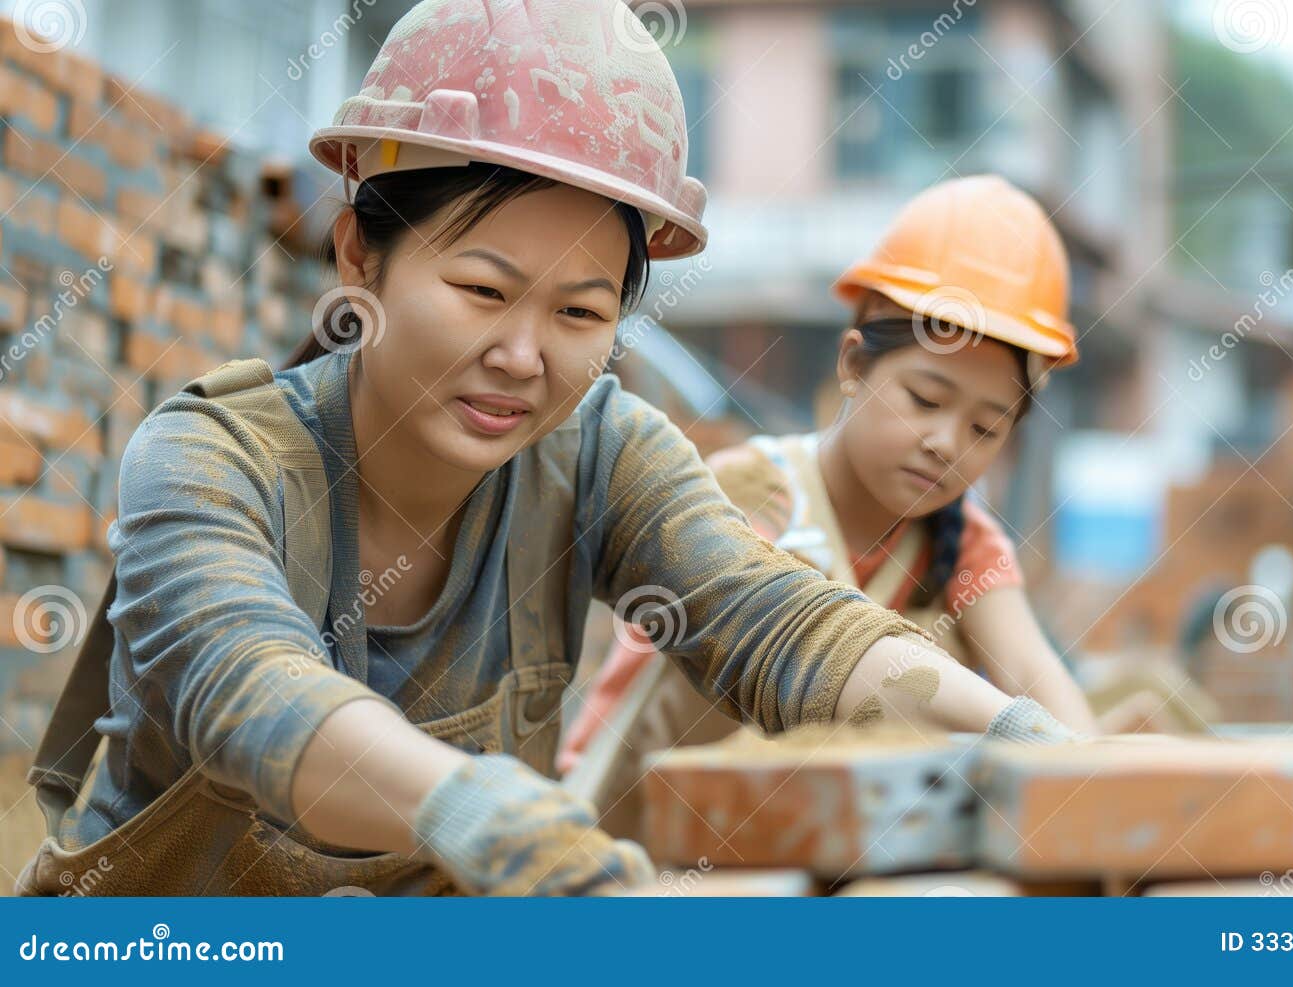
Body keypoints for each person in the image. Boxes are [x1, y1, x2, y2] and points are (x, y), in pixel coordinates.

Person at [15, 0, 1075, 898]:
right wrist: (472, 811)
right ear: (358, 257)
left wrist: (1024, 738)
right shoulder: (207, 459)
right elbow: (250, 690)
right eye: (482, 289)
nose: (522, 356)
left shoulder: (600, 453)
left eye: (579, 313)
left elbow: (776, 622)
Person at [561, 176, 1099, 837]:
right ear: (853, 365)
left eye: (985, 428)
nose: (946, 443)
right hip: (638, 833)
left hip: (816, 843)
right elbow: (769, 632)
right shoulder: (747, 492)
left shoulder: (964, 542)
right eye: (926, 400)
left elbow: (1043, 689)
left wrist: (1075, 761)